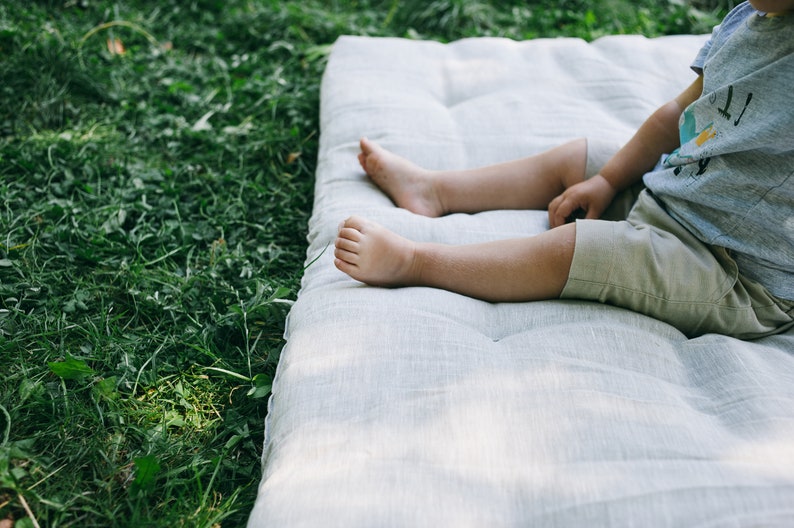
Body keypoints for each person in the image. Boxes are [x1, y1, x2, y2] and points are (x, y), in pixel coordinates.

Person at [333, 0, 794, 339]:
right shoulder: (746, 19)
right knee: (582, 159)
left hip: (730, 271)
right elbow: (676, 114)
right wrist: (607, 180)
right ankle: (434, 191)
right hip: (678, 188)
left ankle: (414, 262)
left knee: (584, 248)